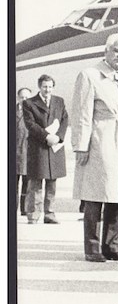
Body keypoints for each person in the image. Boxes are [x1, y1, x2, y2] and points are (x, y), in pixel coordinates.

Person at [71, 33, 118, 262]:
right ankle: (92, 248)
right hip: (100, 141)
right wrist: (81, 146)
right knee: (95, 196)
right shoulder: (90, 75)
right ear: (107, 51)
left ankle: (112, 244)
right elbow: (82, 113)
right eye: (117, 51)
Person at [22, 75, 68, 225]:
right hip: (38, 147)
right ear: (39, 87)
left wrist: (59, 137)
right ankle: (33, 214)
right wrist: (47, 137)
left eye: (50, 87)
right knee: (35, 183)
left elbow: (64, 120)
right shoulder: (29, 103)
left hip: (55, 147)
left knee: (52, 183)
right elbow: (30, 124)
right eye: (44, 87)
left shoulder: (59, 101)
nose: (47, 90)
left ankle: (50, 213)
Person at [16, 87, 32, 216]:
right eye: (22, 97)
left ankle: (24, 209)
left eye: (27, 97)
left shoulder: (33, 112)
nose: (24, 100)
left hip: (28, 153)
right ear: (18, 98)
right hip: (14, 154)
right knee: (12, 185)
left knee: (27, 184)